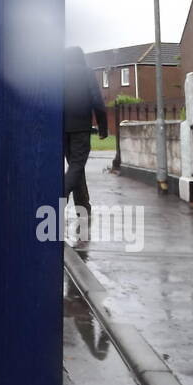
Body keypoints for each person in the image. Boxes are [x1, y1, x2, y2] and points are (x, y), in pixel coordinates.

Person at [63, 46, 108, 243]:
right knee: (76, 166)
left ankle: (84, 209)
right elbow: (97, 101)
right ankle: (59, 198)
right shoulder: (87, 73)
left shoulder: (59, 74)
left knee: (76, 168)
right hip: (81, 128)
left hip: (61, 130)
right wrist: (103, 126)